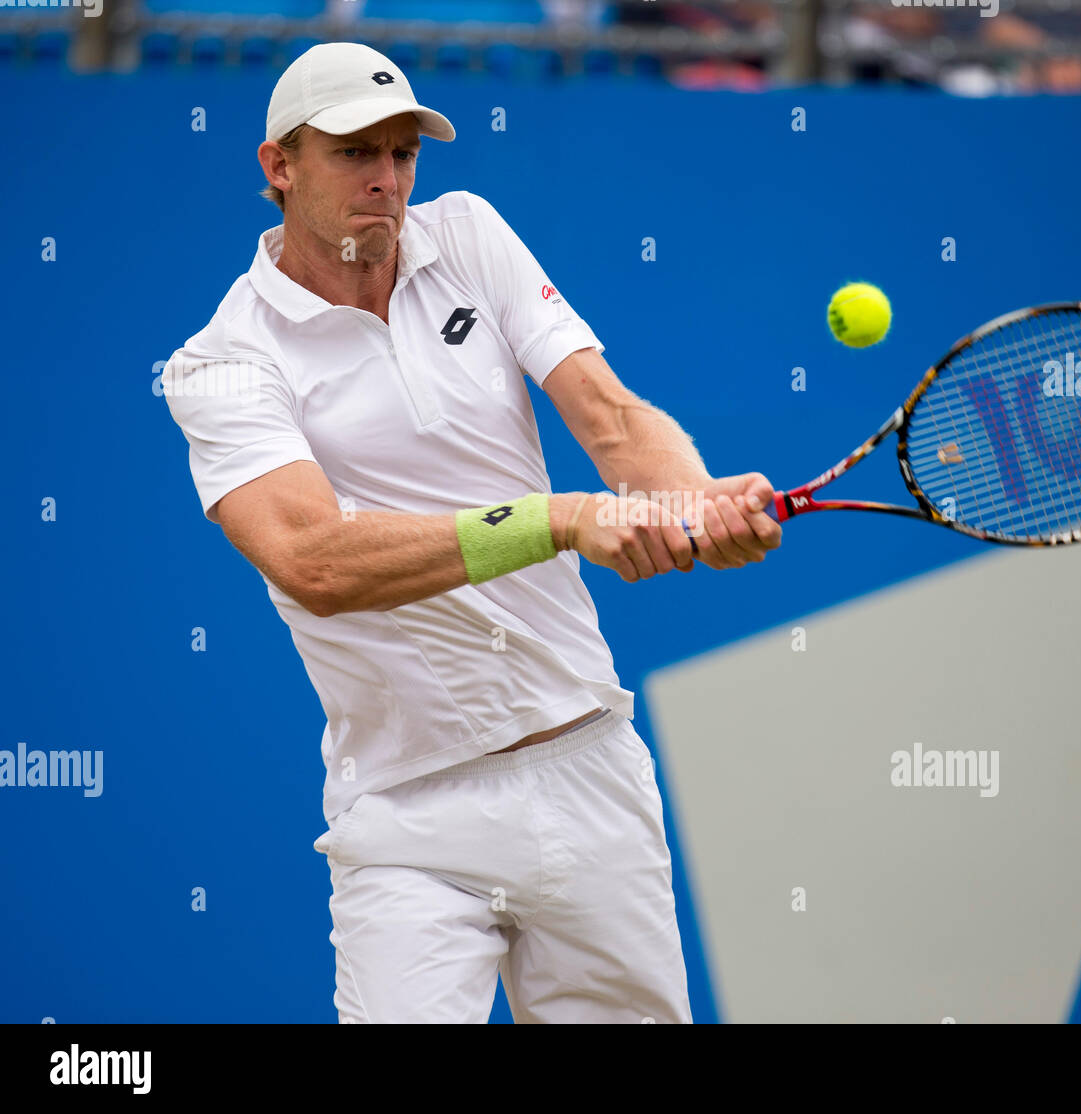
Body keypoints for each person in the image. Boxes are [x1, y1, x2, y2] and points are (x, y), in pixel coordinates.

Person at [162, 41, 780, 1023]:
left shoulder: (471, 235)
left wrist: (692, 499)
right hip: (407, 817)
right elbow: (314, 561)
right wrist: (560, 520)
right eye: (355, 151)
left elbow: (612, 420)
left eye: (403, 151)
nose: (387, 178)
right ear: (278, 165)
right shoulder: (221, 364)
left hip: (588, 769)